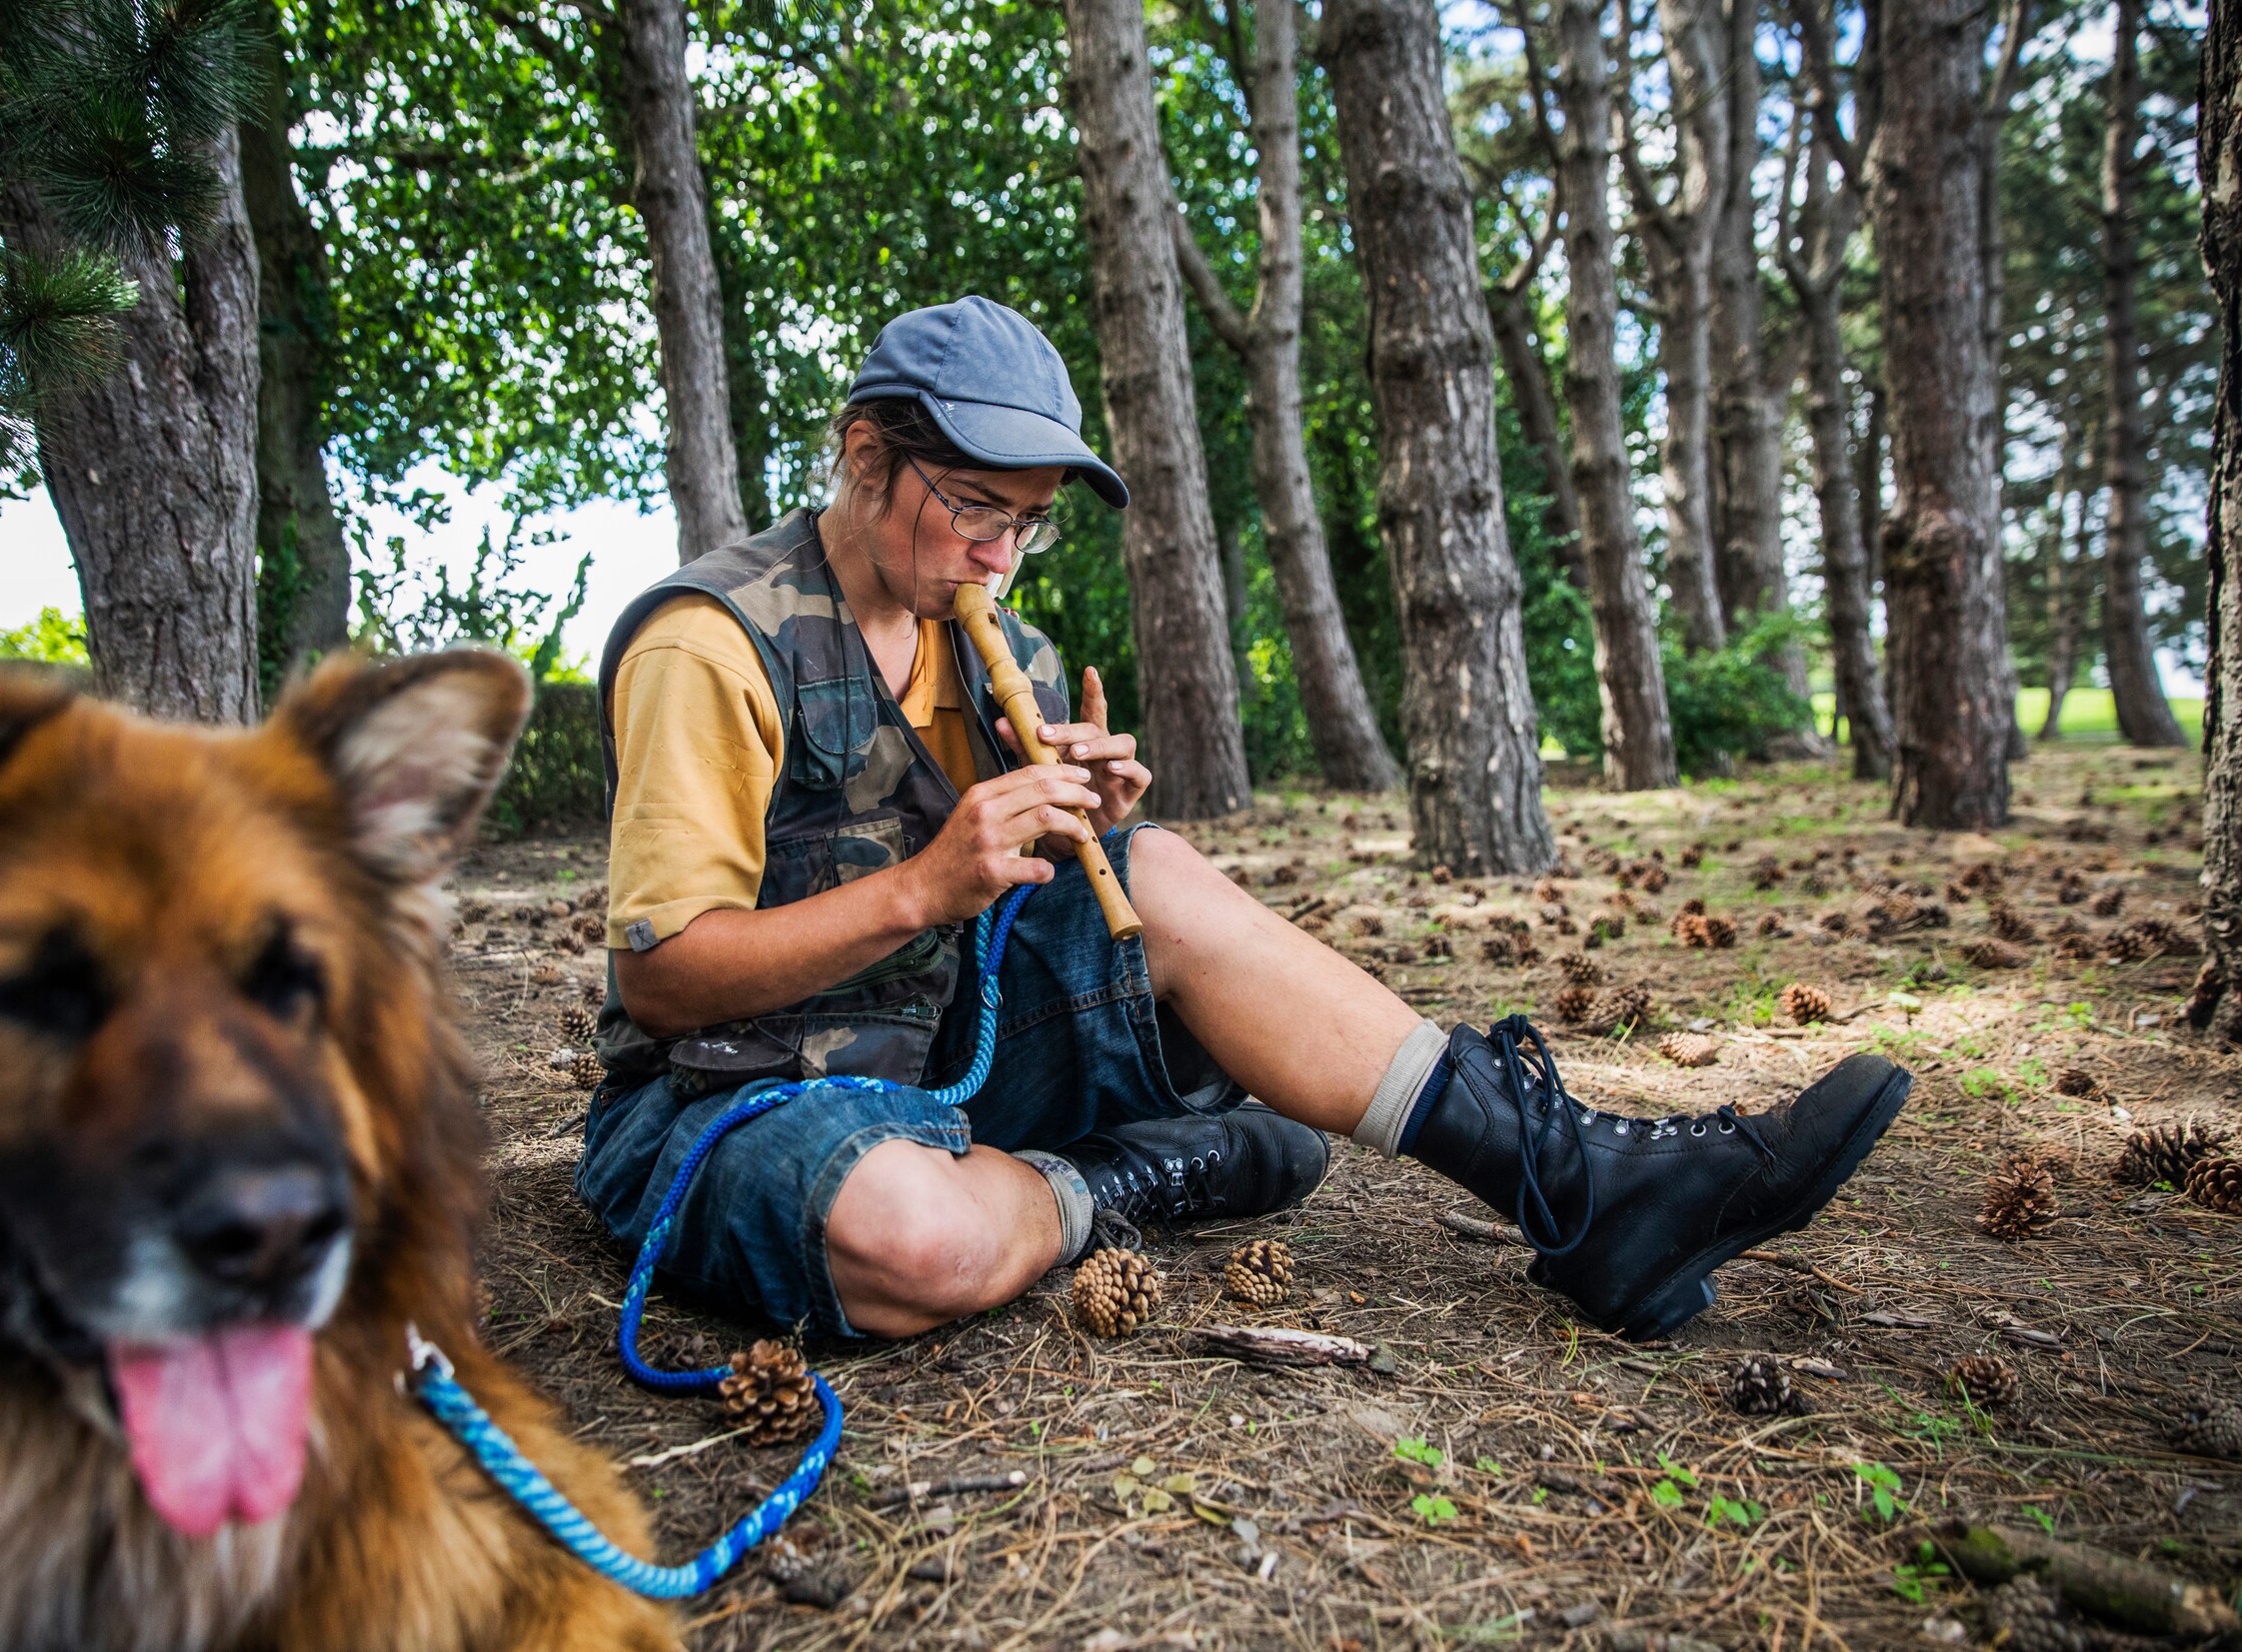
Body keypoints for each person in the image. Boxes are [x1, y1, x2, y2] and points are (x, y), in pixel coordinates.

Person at [577, 295, 1910, 1343]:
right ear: (865, 455)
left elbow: (1008, 917)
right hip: (725, 1094)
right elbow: (664, 975)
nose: (998, 558)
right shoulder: (713, 643)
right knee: (918, 1244)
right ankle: (1126, 1180)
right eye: (974, 506)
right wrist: (927, 884)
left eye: (1027, 527)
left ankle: (1585, 1183)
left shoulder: (1003, 651)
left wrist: (1073, 830)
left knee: (1157, 872)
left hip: (934, 1046)